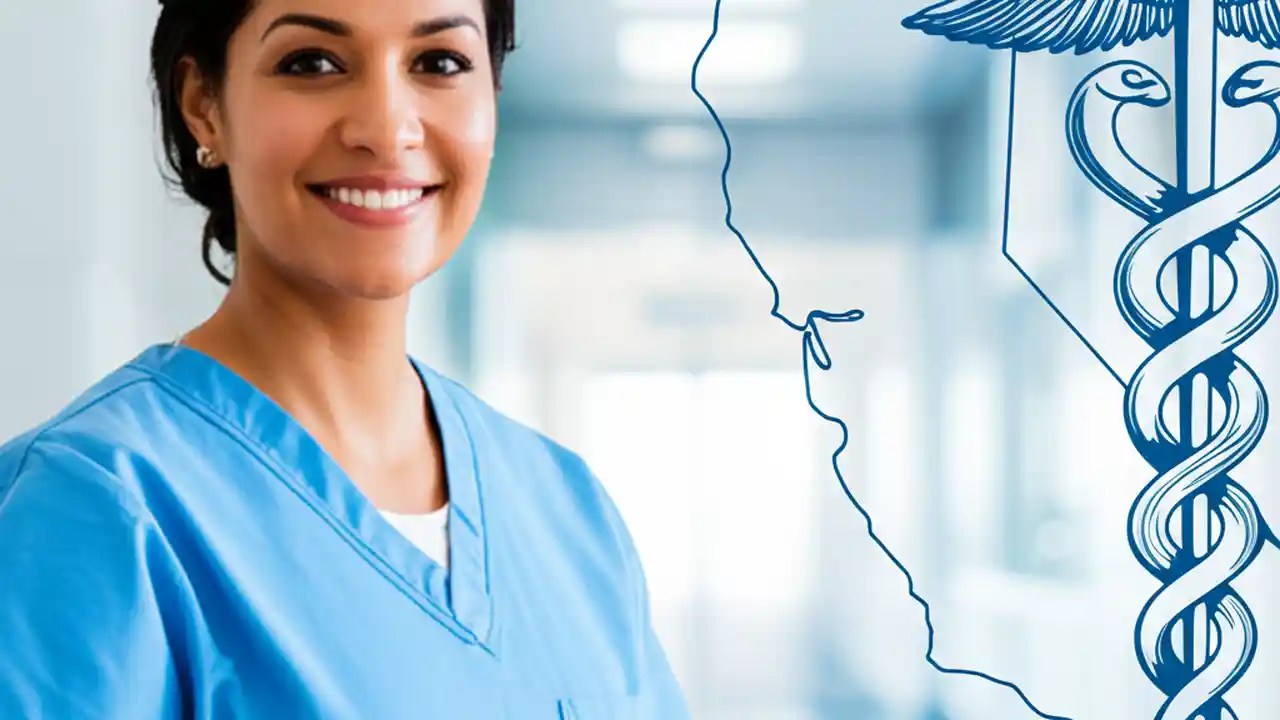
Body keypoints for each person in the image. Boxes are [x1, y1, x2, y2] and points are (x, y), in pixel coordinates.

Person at [0, 1, 690, 717]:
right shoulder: (91, 502)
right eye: (313, 63)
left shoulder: (567, 510)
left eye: (440, 63)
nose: (387, 129)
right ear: (205, 107)